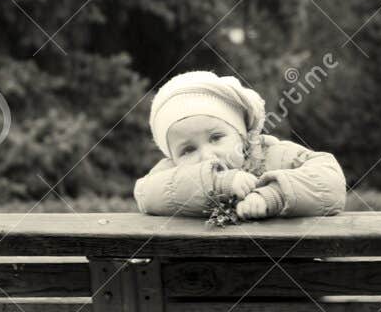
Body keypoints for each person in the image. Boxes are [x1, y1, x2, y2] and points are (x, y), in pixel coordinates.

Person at [133, 70, 346, 220]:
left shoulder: (275, 155)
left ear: (242, 135)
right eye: (188, 150)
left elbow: (331, 181)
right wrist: (217, 183)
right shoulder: (171, 172)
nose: (207, 155)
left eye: (216, 137)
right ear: (172, 157)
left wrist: (275, 195)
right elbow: (145, 194)